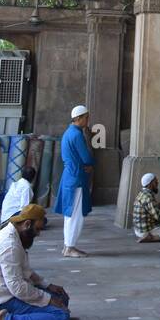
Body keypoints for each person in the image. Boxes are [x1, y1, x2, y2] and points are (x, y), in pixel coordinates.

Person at [0, 204, 71, 320]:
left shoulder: (16, 235)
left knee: (61, 297)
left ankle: (40, 317)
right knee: (61, 316)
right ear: (27, 224)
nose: (38, 234)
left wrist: (48, 286)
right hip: (2, 303)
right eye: (37, 229)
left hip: (11, 293)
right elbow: (17, 287)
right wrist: (48, 300)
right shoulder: (9, 245)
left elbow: (25, 271)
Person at [54, 104, 94, 257]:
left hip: (69, 176)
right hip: (77, 177)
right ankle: (70, 247)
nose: (87, 120)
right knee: (76, 215)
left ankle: (67, 246)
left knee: (69, 214)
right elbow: (85, 156)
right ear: (78, 118)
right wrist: (90, 164)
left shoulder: (67, 133)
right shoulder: (77, 135)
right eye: (86, 117)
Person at [132, 173, 160, 243]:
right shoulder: (148, 197)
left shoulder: (142, 193)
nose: (157, 183)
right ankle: (151, 238)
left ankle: (150, 236)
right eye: (156, 182)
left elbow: (154, 208)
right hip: (145, 231)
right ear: (150, 184)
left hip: (138, 230)